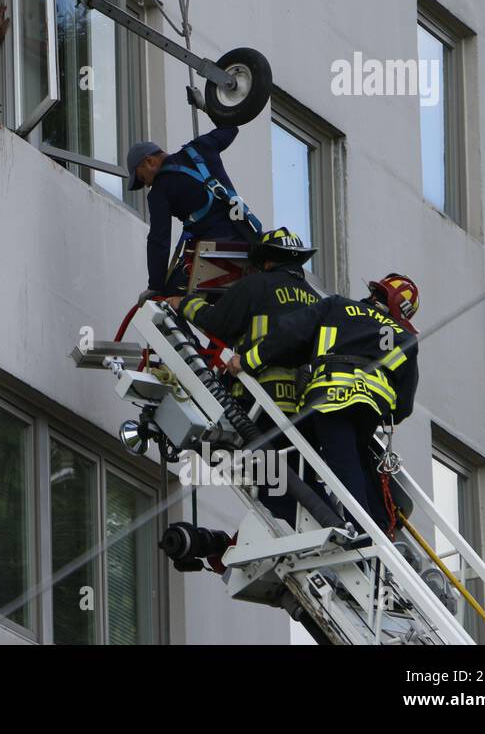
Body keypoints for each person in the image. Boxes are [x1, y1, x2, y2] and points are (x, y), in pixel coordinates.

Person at [226, 273, 422, 538]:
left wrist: (248, 361)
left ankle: (364, 534)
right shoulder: (404, 338)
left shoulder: (337, 306)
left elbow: (289, 334)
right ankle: (374, 523)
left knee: (336, 463)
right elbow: (404, 405)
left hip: (330, 398)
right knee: (352, 460)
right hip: (369, 410)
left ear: (375, 292)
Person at [168, 228, 325, 527]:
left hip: (260, 401)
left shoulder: (256, 286)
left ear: (265, 260)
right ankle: (327, 526)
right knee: (301, 476)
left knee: (271, 483)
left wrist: (184, 303)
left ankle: (300, 535)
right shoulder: (317, 300)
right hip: (305, 408)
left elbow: (218, 321)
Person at [127, 127, 262, 303]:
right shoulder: (201, 147)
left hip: (214, 256)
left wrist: (155, 286)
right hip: (249, 246)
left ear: (149, 162)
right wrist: (209, 105)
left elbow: (159, 240)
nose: (147, 185)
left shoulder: (159, 190)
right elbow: (231, 126)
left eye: (144, 179)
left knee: (166, 303)